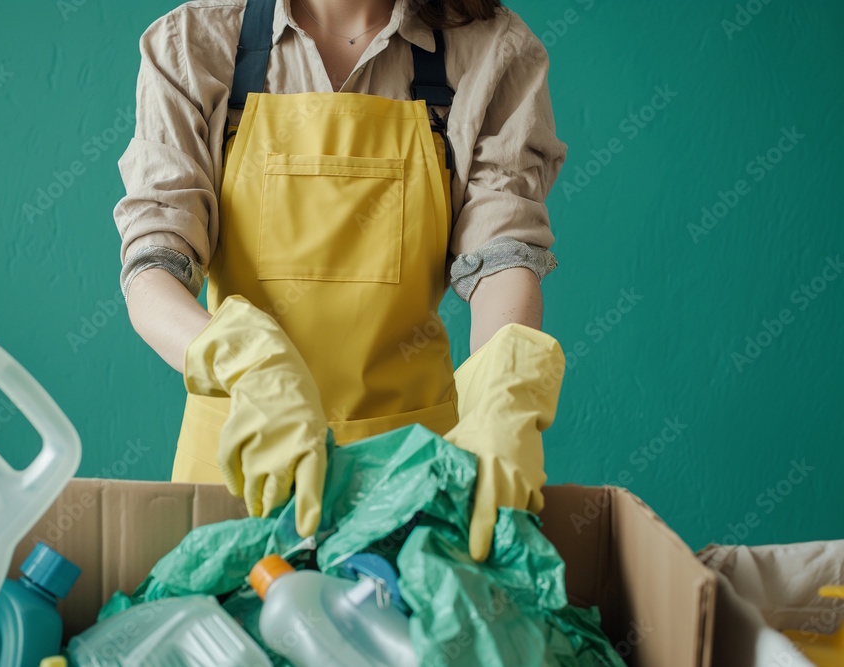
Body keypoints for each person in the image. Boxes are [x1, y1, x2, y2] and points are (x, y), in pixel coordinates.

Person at [113, 0, 568, 561]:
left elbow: (502, 253)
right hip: (242, 463)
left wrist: (502, 390)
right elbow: (153, 266)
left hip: (411, 474)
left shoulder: (489, 50)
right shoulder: (195, 43)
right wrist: (243, 361)